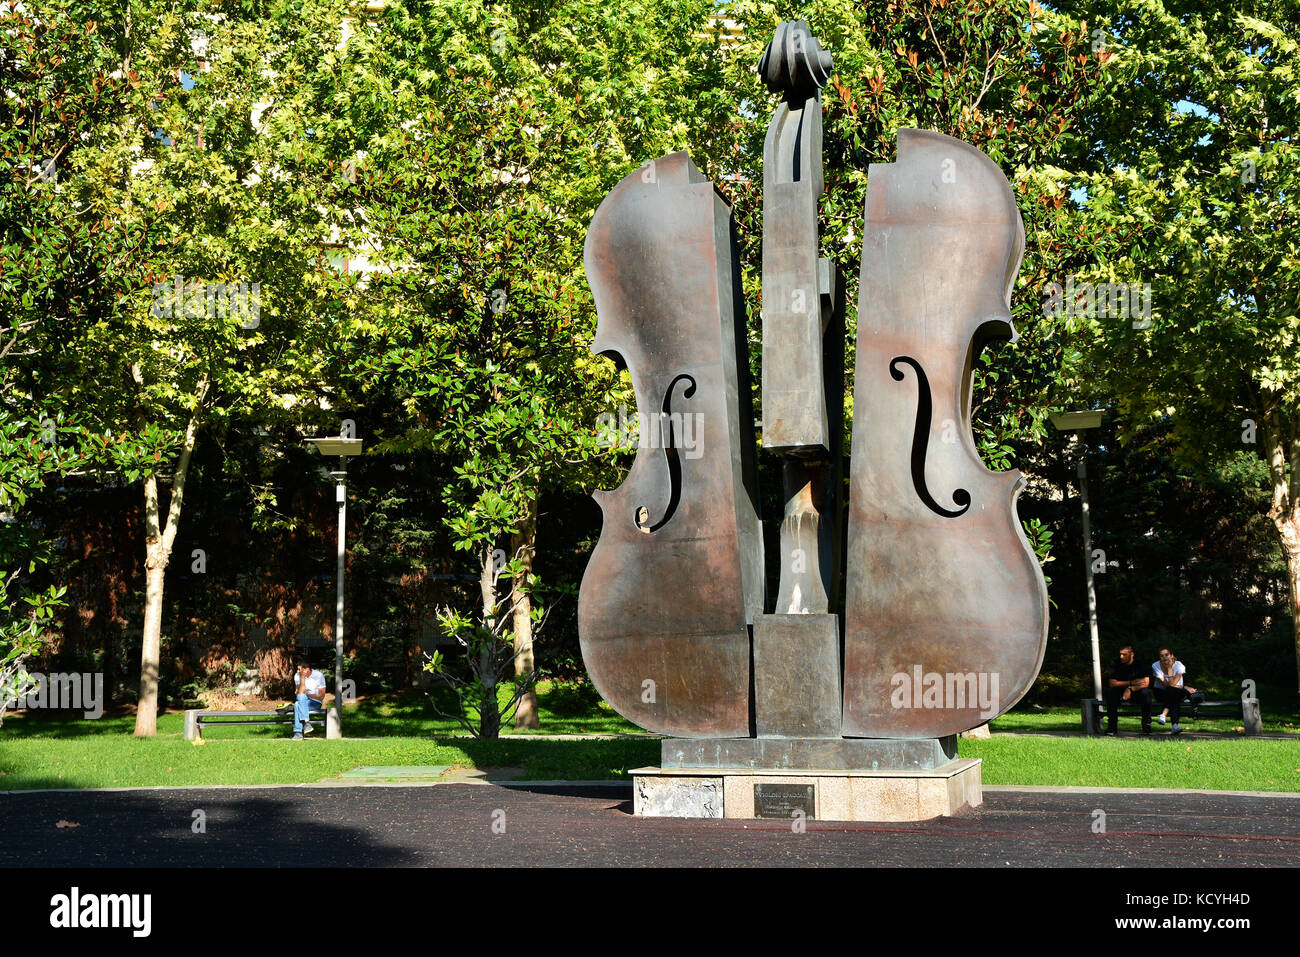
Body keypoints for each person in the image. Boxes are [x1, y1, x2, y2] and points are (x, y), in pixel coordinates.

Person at [1104, 645, 1151, 735]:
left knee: (1146, 693)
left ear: (1132, 654)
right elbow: (1112, 683)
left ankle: (1146, 726)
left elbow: (1146, 682)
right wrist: (1131, 682)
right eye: (1120, 654)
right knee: (1112, 693)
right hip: (1119, 691)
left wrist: (1131, 689)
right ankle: (1112, 728)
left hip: (1136, 691)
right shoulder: (1115, 664)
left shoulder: (1140, 664)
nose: (1121, 657)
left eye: (1124, 654)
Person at [1152, 647, 1198, 735]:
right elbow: (1167, 685)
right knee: (1172, 694)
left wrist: (1170, 669)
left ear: (1172, 656)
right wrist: (1184, 687)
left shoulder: (1179, 665)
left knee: (1173, 693)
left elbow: (1172, 684)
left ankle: (1164, 714)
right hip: (1161, 692)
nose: (1164, 657)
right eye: (1161, 656)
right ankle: (1175, 725)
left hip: (1176, 692)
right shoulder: (1155, 665)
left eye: (1166, 655)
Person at [292, 663, 326, 740]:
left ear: (306, 669)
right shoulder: (297, 675)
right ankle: (307, 724)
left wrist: (307, 695)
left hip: (315, 702)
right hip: (302, 701)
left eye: (299, 669)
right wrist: (302, 678)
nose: (298, 671)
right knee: (298, 703)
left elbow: (321, 696)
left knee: (298, 703)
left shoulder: (319, 675)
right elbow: (299, 693)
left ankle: (298, 733)